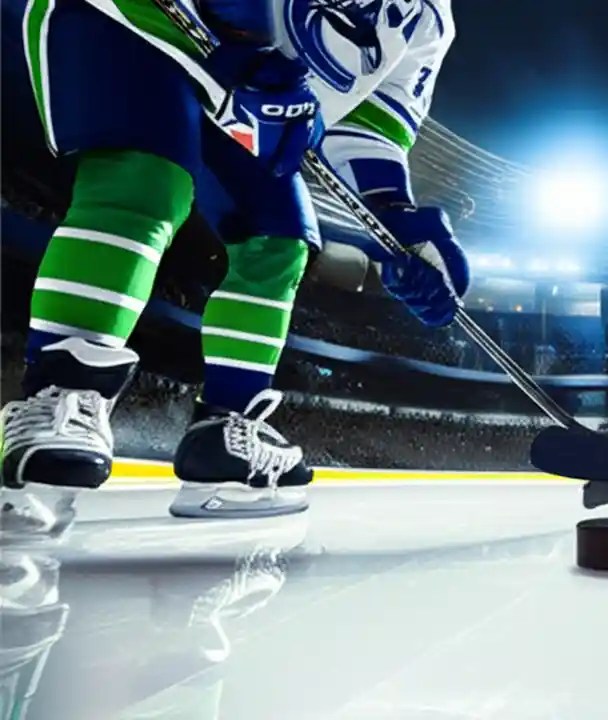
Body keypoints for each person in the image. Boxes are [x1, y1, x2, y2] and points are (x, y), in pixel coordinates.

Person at [1, 0, 470, 523]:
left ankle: (226, 427)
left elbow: (366, 126)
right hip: (139, 21)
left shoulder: (427, 21)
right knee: (146, 182)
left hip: (249, 96)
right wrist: (238, 32)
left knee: (281, 241)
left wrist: (394, 214)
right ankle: (63, 393)